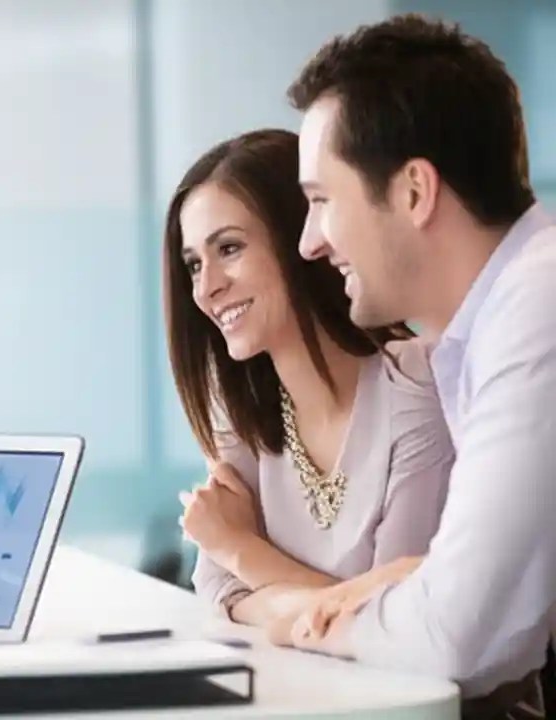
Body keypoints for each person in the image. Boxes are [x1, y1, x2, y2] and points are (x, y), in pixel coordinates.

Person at [279, 13, 556, 718]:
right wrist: (419, 579)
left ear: (413, 192)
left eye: (320, 201)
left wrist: (318, 626)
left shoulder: (537, 309)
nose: (310, 242)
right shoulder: (486, 324)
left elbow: (456, 638)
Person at [165, 129, 454, 629]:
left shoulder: (415, 386)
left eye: (229, 248)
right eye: (193, 265)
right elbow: (218, 591)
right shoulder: (244, 413)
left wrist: (238, 547)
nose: (207, 288)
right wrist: (328, 605)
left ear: (304, 238)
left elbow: (401, 626)